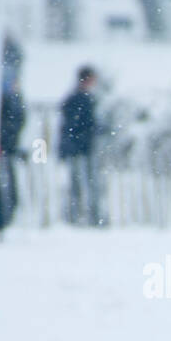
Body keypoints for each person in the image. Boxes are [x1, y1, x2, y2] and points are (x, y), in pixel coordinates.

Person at [59, 65, 101, 226]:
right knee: (79, 184)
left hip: (83, 148)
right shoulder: (77, 99)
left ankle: (83, 216)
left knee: (84, 183)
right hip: (79, 149)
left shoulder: (84, 98)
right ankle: (78, 217)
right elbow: (74, 125)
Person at [0, 73, 26, 237]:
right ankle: (1, 223)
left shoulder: (14, 100)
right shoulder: (4, 100)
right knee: (4, 190)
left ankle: (3, 223)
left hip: (8, 150)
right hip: (3, 150)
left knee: (9, 191)